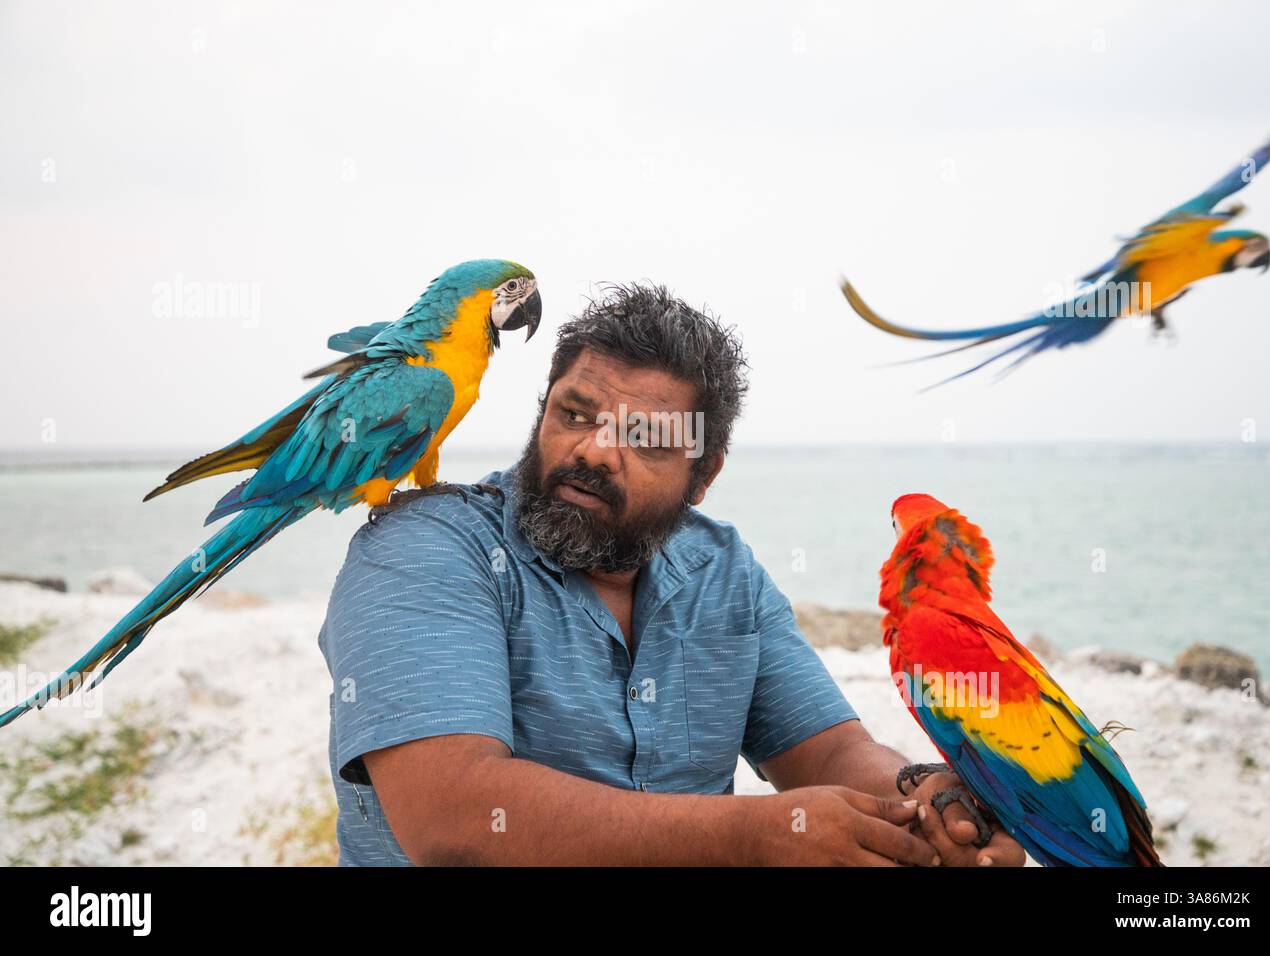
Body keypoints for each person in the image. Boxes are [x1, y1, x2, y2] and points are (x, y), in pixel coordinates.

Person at [317, 282, 1026, 867]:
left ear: (703, 474)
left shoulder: (720, 569)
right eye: (575, 413)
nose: (596, 451)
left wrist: (920, 799)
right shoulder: (425, 548)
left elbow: (832, 750)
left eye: (646, 438)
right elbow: (456, 820)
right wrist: (756, 836)